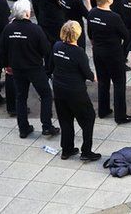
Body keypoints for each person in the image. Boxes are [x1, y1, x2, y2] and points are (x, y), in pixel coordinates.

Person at [1, 0, 58, 138]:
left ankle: (23, 128)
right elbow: (46, 49)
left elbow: (2, 50)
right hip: (34, 68)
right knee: (46, 95)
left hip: (17, 68)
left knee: (21, 97)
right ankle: (46, 126)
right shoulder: (35, 29)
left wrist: (6, 65)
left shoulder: (8, 29)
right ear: (27, 13)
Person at [51, 21, 101, 162]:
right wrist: (94, 77)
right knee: (88, 118)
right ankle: (86, 151)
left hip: (59, 88)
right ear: (77, 34)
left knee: (65, 119)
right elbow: (87, 73)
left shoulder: (57, 46)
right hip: (75, 91)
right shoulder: (79, 52)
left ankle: (66, 149)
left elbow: (51, 65)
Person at [87, 0, 131, 123]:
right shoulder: (114, 17)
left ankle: (103, 109)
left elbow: (90, 34)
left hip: (98, 52)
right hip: (113, 53)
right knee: (119, 83)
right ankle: (120, 116)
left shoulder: (92, 13)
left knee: (103, 81)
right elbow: (126, 35)